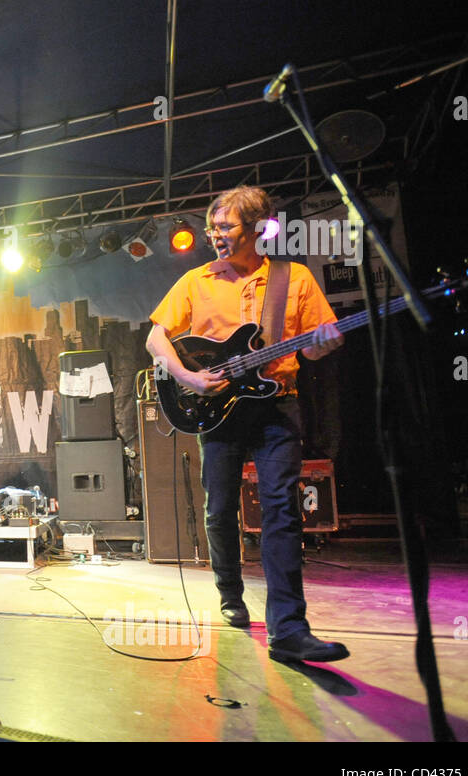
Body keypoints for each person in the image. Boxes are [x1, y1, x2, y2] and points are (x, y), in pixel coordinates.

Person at [145, 185, 349, 663]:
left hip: (277, 407)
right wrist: (189, 377)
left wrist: (324, 343)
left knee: (281, 512)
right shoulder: (196, 281)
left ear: (258, 229)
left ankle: (290, 630)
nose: (215, 235)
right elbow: (157, 338)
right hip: (218, 410)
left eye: (226, 226)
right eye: (212, 226)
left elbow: (315, 346)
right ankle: (230, 593)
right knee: (219, 509)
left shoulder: (291, 278)